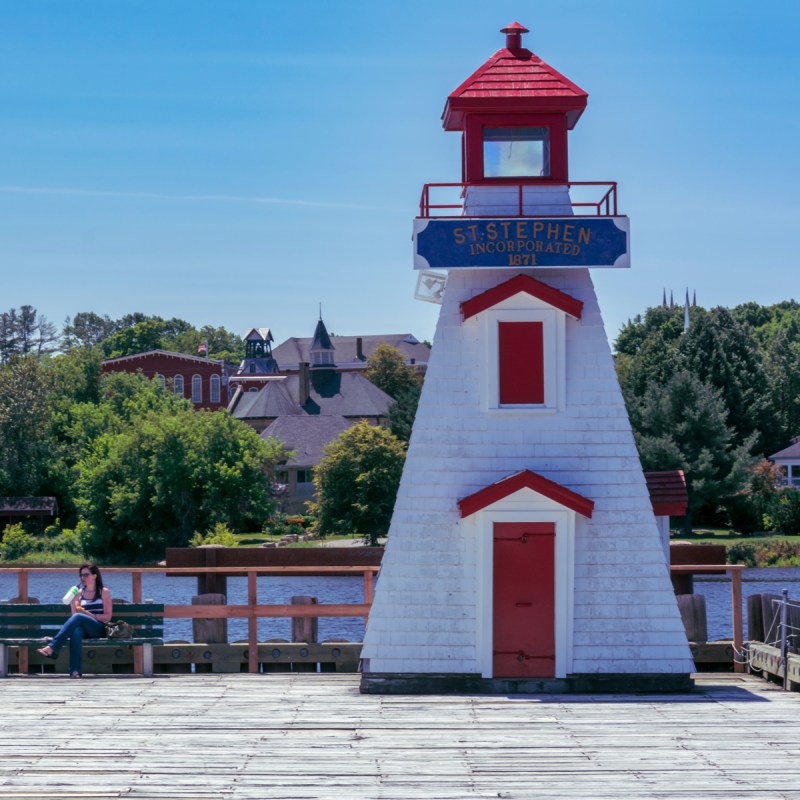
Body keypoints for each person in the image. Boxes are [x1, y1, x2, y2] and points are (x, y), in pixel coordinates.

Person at [37, 563, 113, 678]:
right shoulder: (78, 593)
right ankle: (75, 671)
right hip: (83, 629)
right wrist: (73, 601)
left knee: (79, 618)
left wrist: (88, 614)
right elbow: (74, 616)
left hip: (99, 628)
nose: (83, 578)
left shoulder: (104, 592)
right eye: (81, 575)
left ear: (94, 576)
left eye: (86, 575)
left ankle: (53, 647)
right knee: (76, 631)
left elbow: (107, 617)